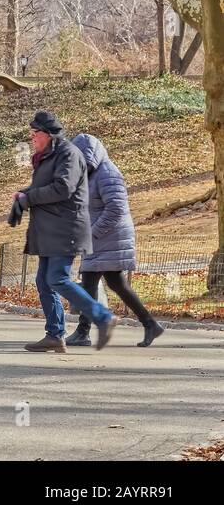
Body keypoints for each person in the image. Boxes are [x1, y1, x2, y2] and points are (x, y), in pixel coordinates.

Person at [14, 110, 115, 352]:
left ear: (47, 134)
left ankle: (102, 317)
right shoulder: (48, 157)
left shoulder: (69, 154)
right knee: (43, 281)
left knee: (56, 278)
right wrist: (22, 196)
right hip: (50, 231)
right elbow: (42, 188)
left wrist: (28, 197)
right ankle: (55, 334)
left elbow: (63, 189)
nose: (31, 138)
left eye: (34, 133)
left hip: (67, 228)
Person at [67, 134, 164, 348]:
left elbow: (116, 210)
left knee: (90, 281)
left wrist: (92, 233)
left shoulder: (107, 173)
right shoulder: (90, 174)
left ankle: (83, 331)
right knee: (114, 282)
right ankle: (150, 324)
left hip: (109, 236)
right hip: (100, 237)